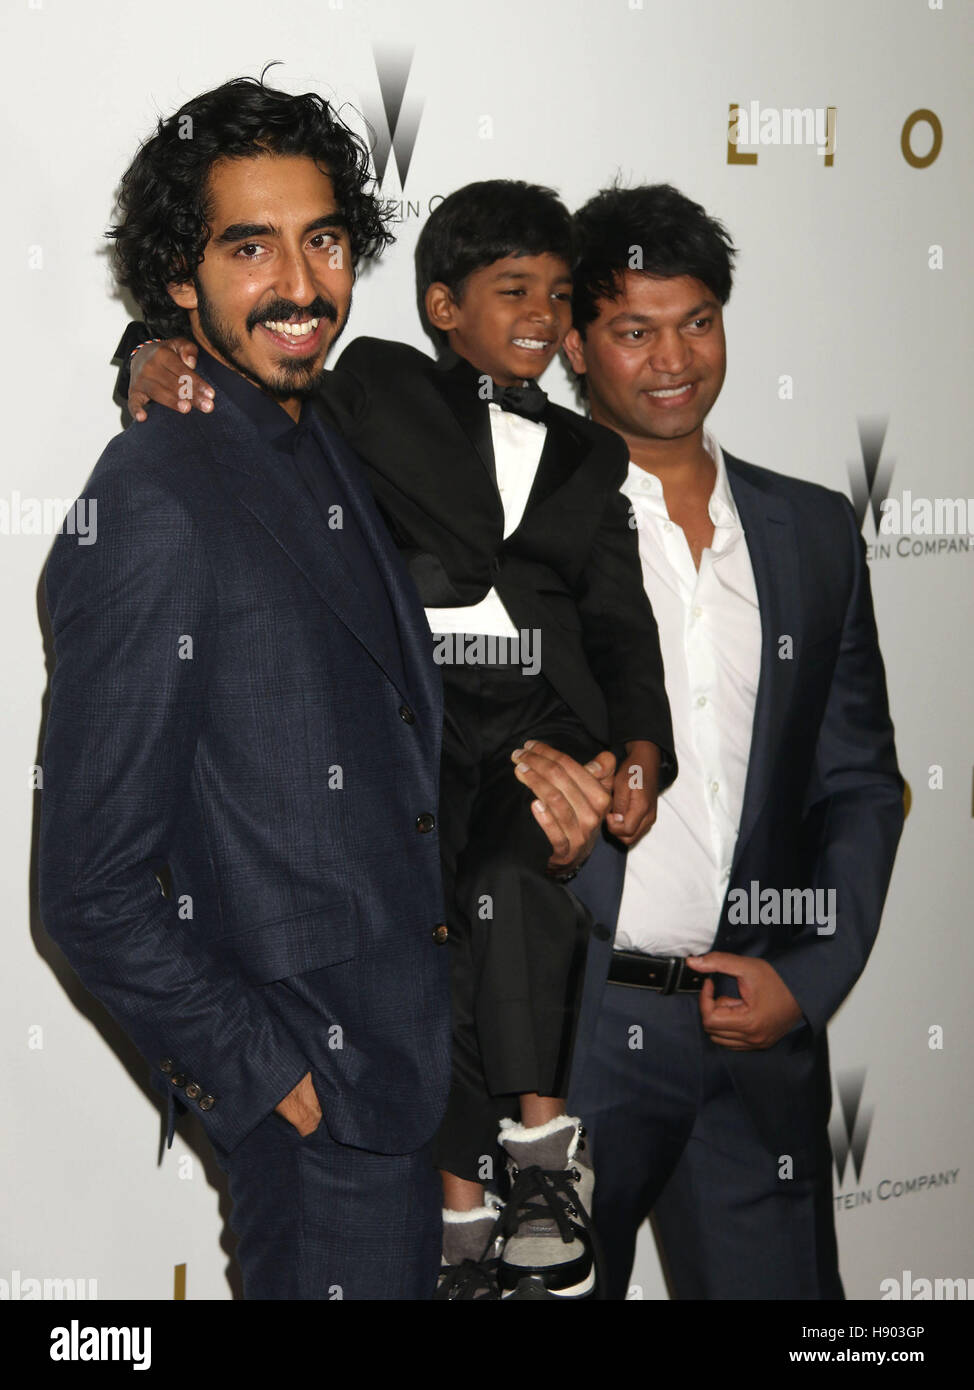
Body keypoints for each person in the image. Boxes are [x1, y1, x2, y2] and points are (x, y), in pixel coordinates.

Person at [38, 77, 607, 1303]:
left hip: (409, 1075)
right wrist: (264, 1079)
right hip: (318, 1115)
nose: (301, 285)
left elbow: (390, 708)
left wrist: (532, 762)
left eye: (325, 240)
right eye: (250, 247)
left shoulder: (337, 430)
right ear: (180, 281)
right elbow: (85, 887)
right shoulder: (151, 501)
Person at [562, 183, 905, 1300]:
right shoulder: (517, 531)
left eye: (695, 320)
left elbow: (858, 783)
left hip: (751, 1033)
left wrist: (806, 978)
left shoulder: (809, 529)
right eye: (632, 329)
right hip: (571, 1040)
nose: (672, 358)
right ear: (572, 342)